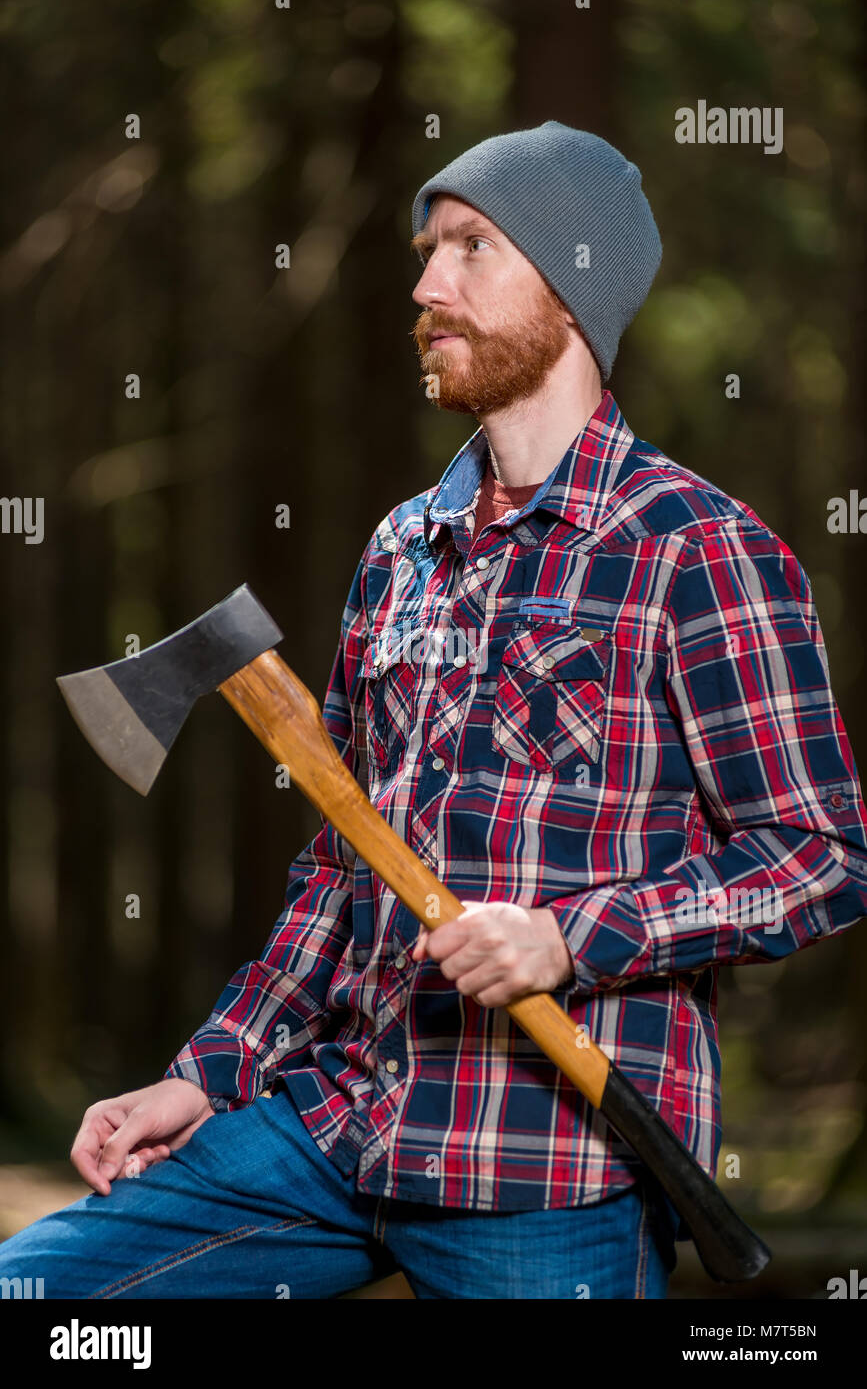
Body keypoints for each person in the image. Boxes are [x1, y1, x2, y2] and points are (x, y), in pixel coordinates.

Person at [2, 121, 866, 1301]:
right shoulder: (407, 546)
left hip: (545, 1163)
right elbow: (342, 858)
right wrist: (211, 1070)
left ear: (572, 288)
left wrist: (572, 937)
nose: (425, 283)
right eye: (427, 247)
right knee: (39, 1294)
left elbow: (819, 858)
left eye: (470, 246)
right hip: (342, 1119)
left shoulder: (698, 550)